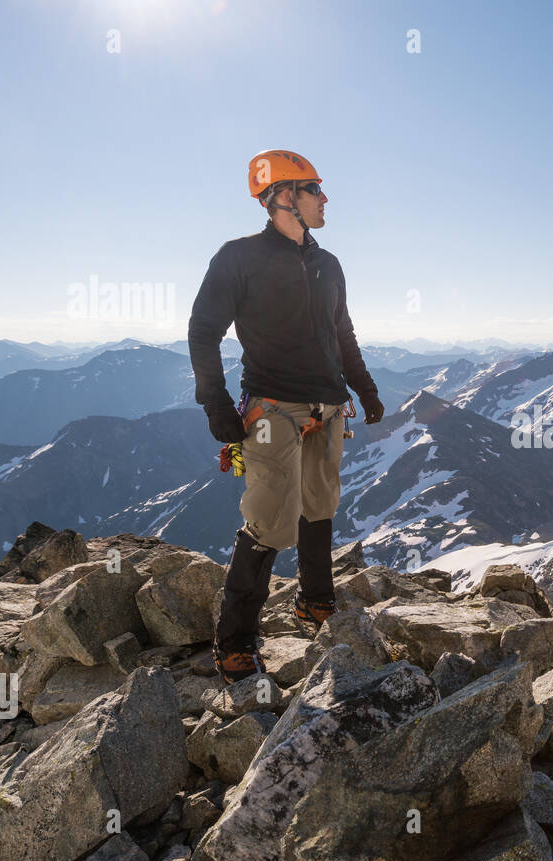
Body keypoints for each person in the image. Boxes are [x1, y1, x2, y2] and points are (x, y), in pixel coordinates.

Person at [187, 149, 385, 684]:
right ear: (283, 197)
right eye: (315, 188)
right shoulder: (239, 257)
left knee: (319, 504)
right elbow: (204, 331)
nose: (325, 198)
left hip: (328, 404)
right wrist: (216, 404)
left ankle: (315, 603)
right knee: (272, 516)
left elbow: (341, 334)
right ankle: (234, 641)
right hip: (272, 405)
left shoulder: (328, 264)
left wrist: (363, 389)